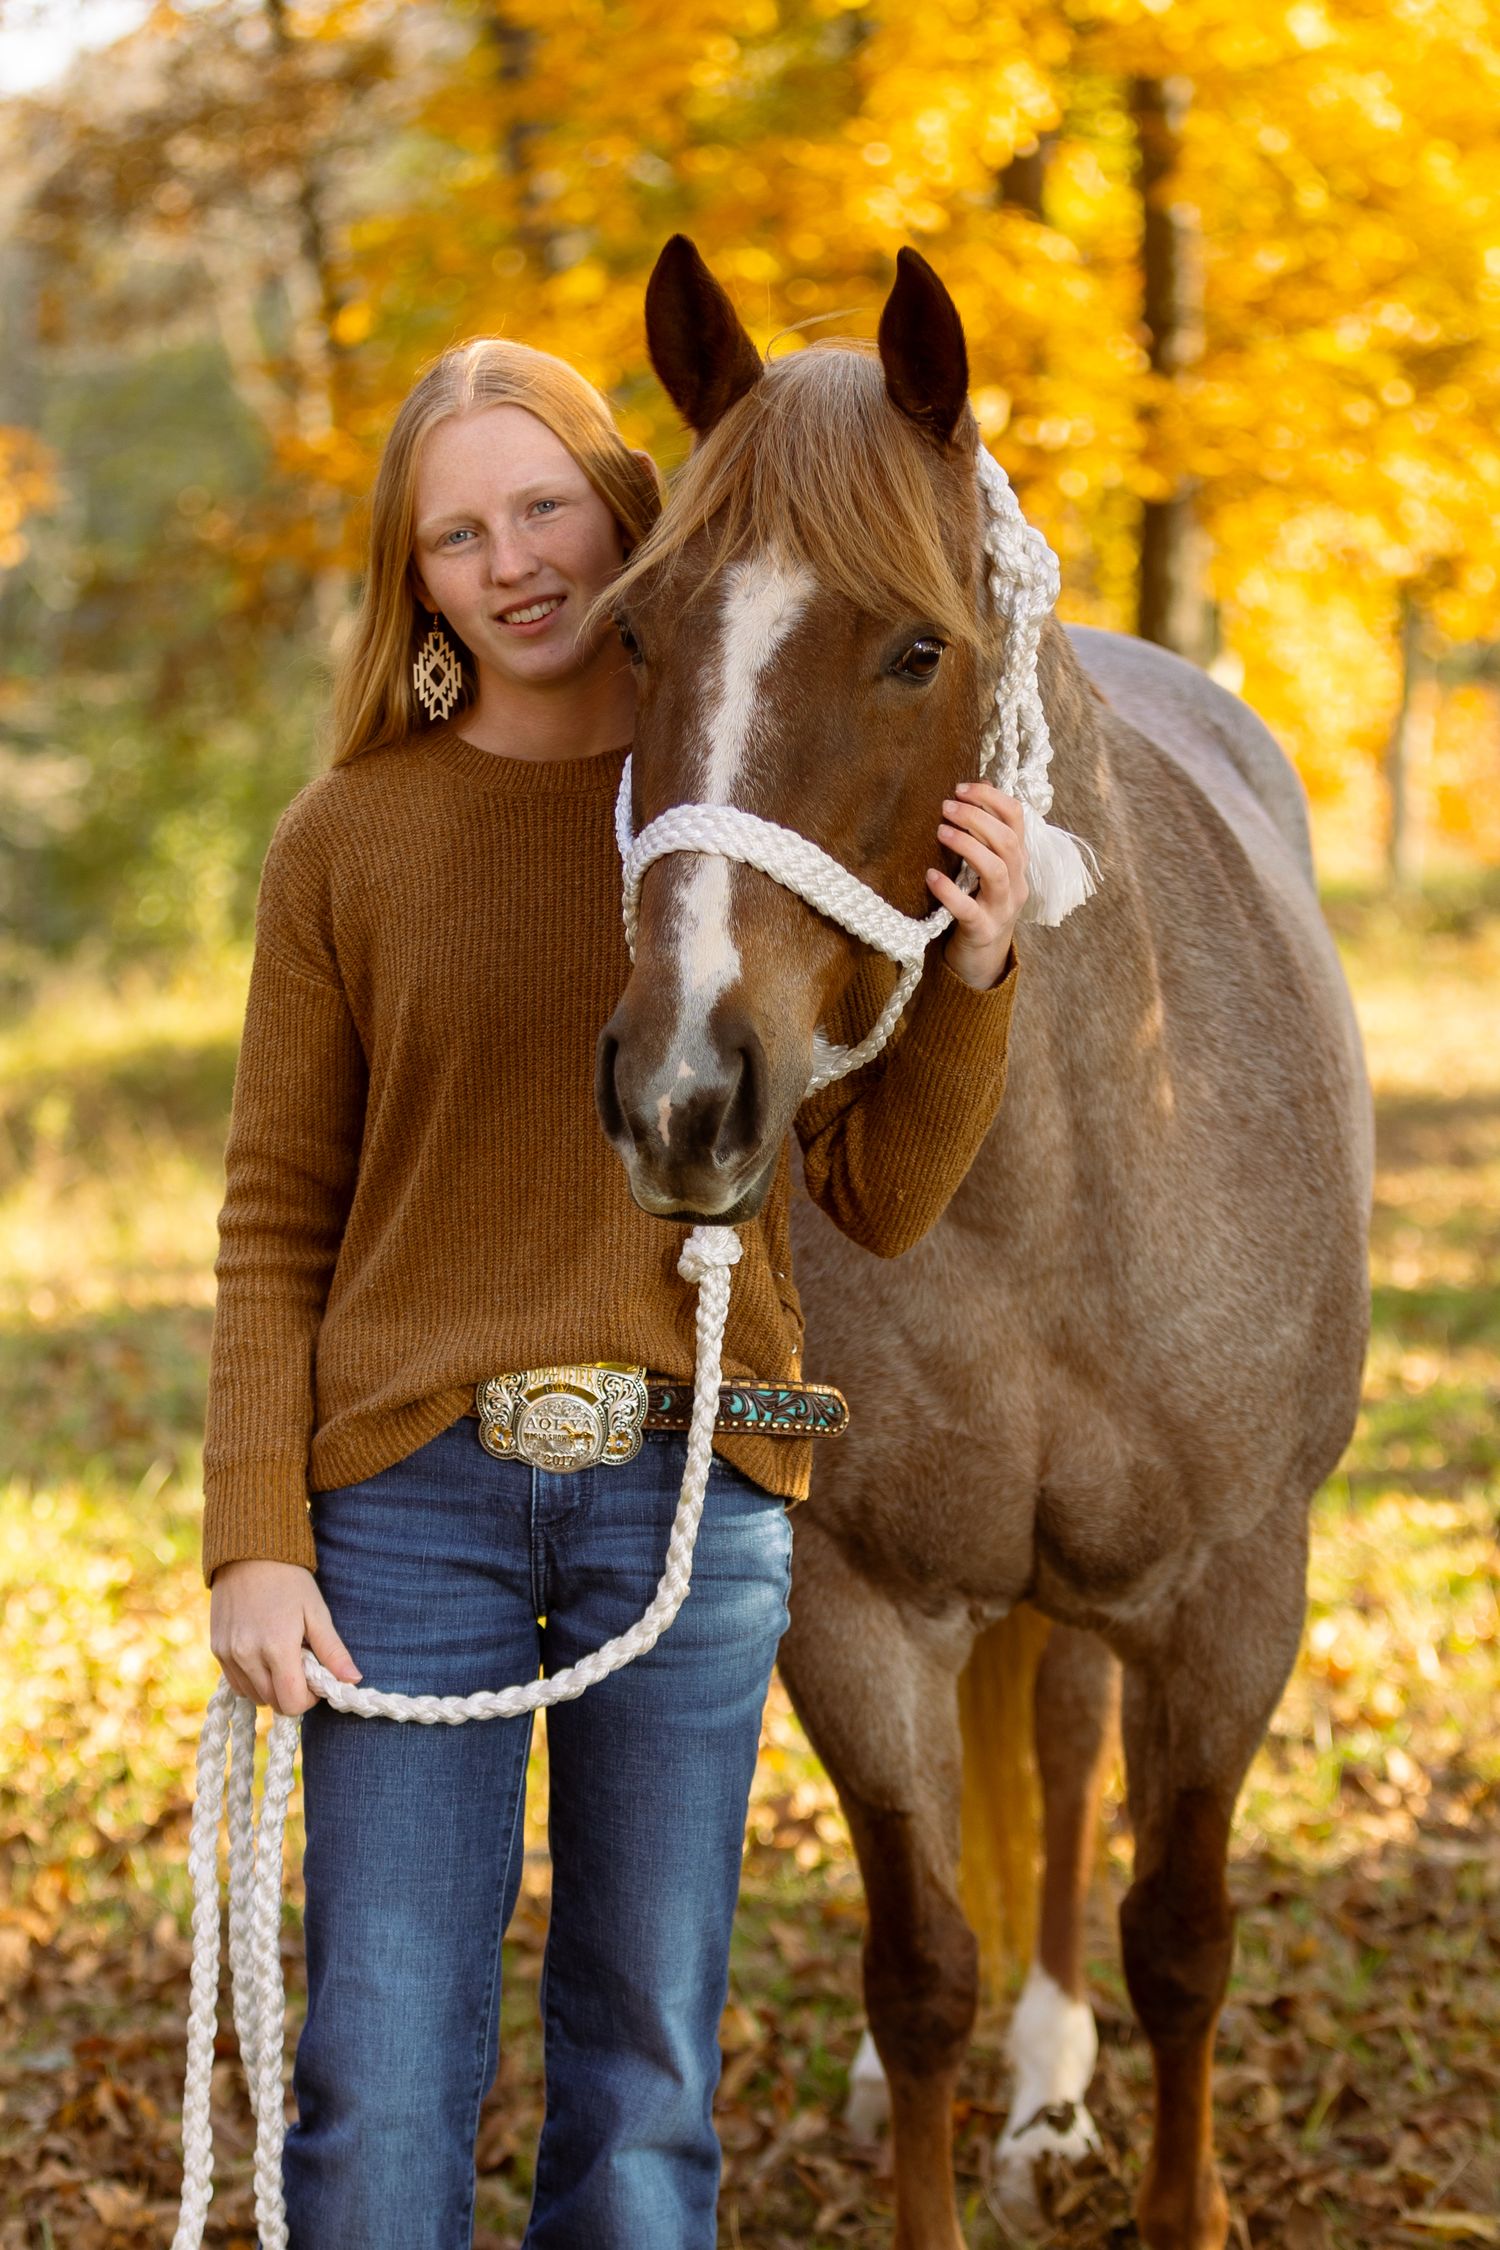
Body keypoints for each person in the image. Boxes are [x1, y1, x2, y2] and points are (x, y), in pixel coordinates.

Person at [202, 336, 1029, 2250]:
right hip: (407, 1505)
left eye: (544, 506)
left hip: (686, 1491)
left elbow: (877, 1196)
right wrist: (255, 1532)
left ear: (626, 512)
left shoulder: (744, 810)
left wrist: (978, 982)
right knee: (377, 2067)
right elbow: (271, 1219)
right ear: (417, 581)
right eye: (457, 535)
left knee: (649, 2079)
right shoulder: (348, 838)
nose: (513, 561)